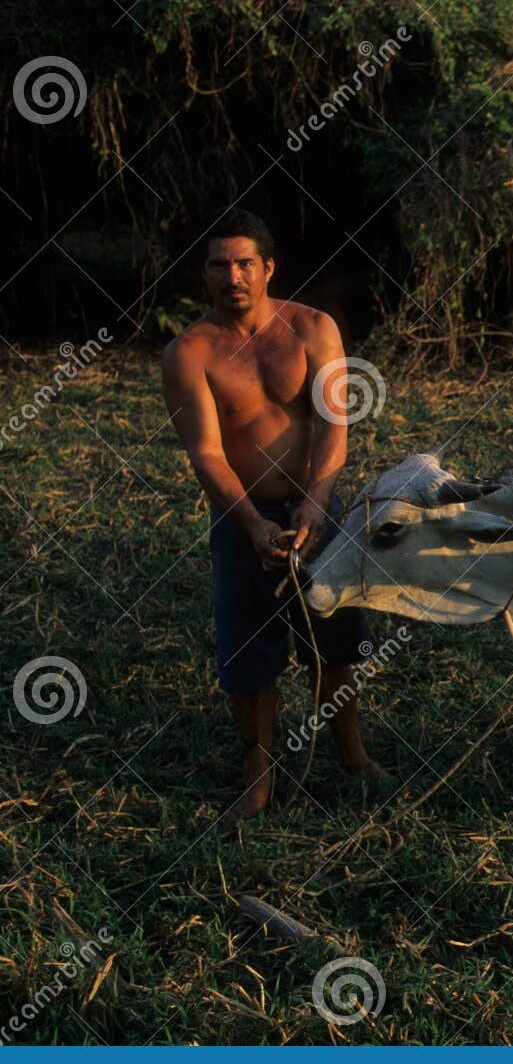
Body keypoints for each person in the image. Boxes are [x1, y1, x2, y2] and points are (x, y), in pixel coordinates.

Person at [160, 208, 389, 820]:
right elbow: (206, 451)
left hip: (318, 503)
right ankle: (258, 778)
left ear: (268, 269)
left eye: (244, 264)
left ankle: (353, 753)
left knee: (335, 638)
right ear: (203, 274)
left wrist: (315, 507)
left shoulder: (313, 328)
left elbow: (334, 429)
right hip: (244, 514)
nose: (232, 276)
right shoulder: (189, 352)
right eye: (218, 265)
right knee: (248, 650)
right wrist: (253, 524)